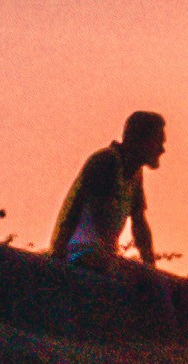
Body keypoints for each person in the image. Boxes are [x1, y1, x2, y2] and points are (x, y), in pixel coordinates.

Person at [51, 108, 166, 266]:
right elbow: (76, 209)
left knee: (165, 284)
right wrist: (57, 255)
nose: (162, 150)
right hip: (78, 250)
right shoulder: (106, 162)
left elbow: (139, 224)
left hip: (102, 255)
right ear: (140, 141)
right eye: (158, 143)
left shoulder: (135, 174)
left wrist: (151, 265)